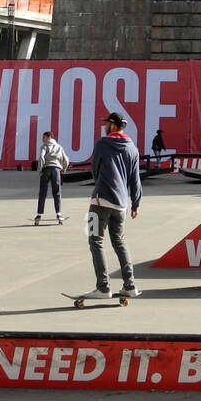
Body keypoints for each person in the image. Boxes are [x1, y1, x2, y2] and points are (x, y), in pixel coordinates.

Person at [81, 112, 142, 300]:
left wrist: (100, 184)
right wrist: (135, 203)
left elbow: (95, 168)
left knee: (94, 240)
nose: (105, 126)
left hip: (99, 201)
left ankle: (103, 287)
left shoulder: (102, 144)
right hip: (121, 205)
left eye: (107, 123)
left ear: (113, 125)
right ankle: (130, 285)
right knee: (119, 241)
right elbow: (135, 179)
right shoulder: (133, 149)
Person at [35, 130, 69, 225]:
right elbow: (66, 159)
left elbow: (41, 157)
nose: (42, 139)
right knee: (57, 192)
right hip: (56, 170)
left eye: (44, 137)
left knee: (43, 192)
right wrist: (64, 169)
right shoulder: (59, 146)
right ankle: (59, 214)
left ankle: (39, 215)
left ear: (49, 137)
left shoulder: (44, 146)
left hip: (46, 170)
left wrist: (40, 170)